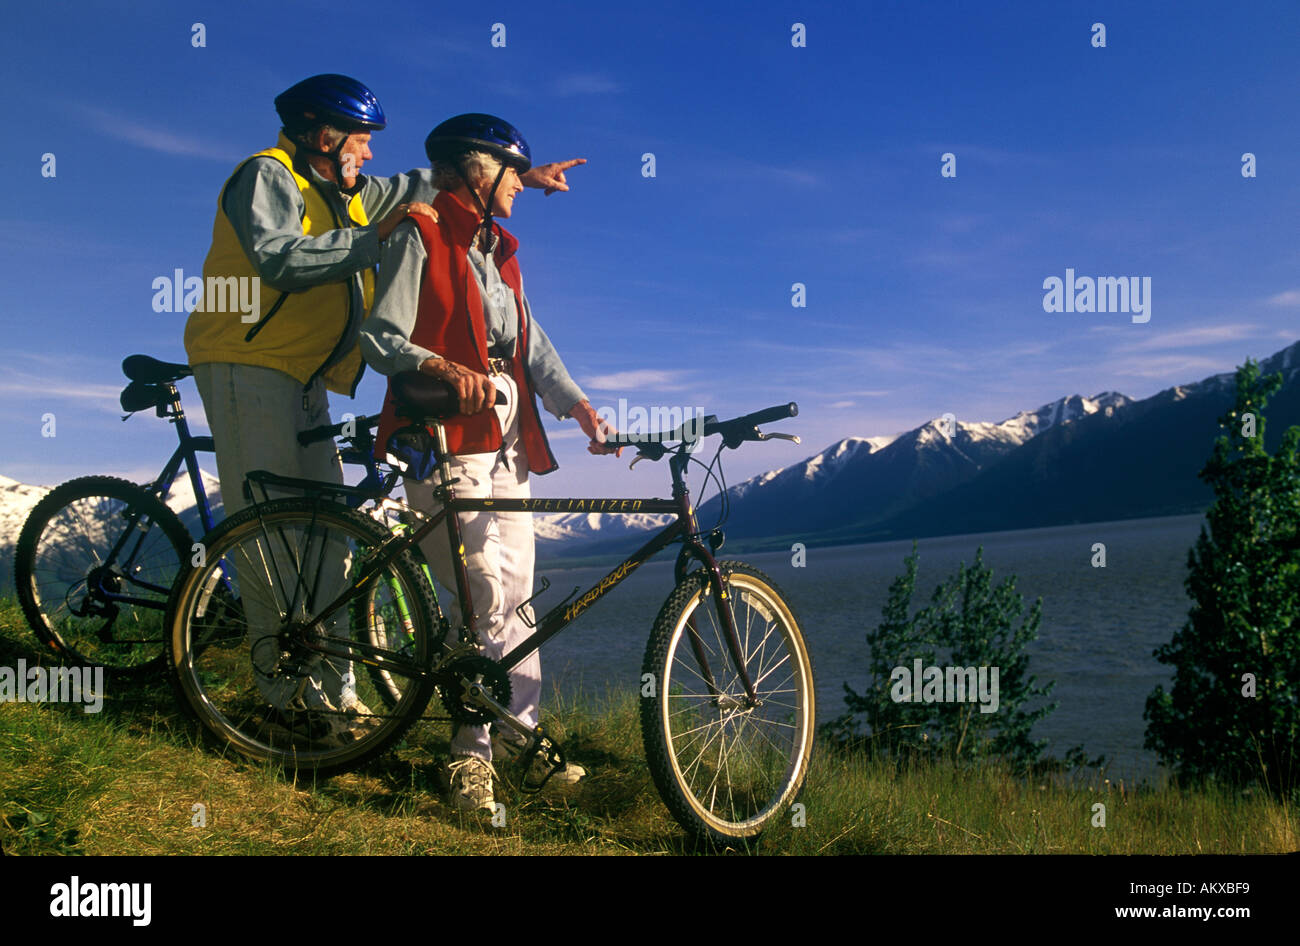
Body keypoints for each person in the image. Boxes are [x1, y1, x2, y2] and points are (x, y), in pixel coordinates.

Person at [183, 76, 586, 744]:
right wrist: (375, 242)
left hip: (305, 374)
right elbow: (277, 258)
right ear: (324, 135)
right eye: (361, 140)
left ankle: (337, 700)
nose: (369, 154)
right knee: (270, 535)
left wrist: (519, 175)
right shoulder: (267, 174)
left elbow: (429, 182)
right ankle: (285, 703)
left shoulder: (350, 192)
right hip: (244, 360)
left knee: (325, 536)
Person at [360, 114, 620, 812]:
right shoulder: (421, 231)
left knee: (518, 597)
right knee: (482, 597)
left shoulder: (499, 248)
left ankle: (517, 736)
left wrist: (579, 406)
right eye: (514, 174)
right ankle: (468, 759)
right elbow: (380, 336)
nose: (521, 186)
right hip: (444, 433)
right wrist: (441, 365)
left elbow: (529, 341)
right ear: (480, 173)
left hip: (506, 438)